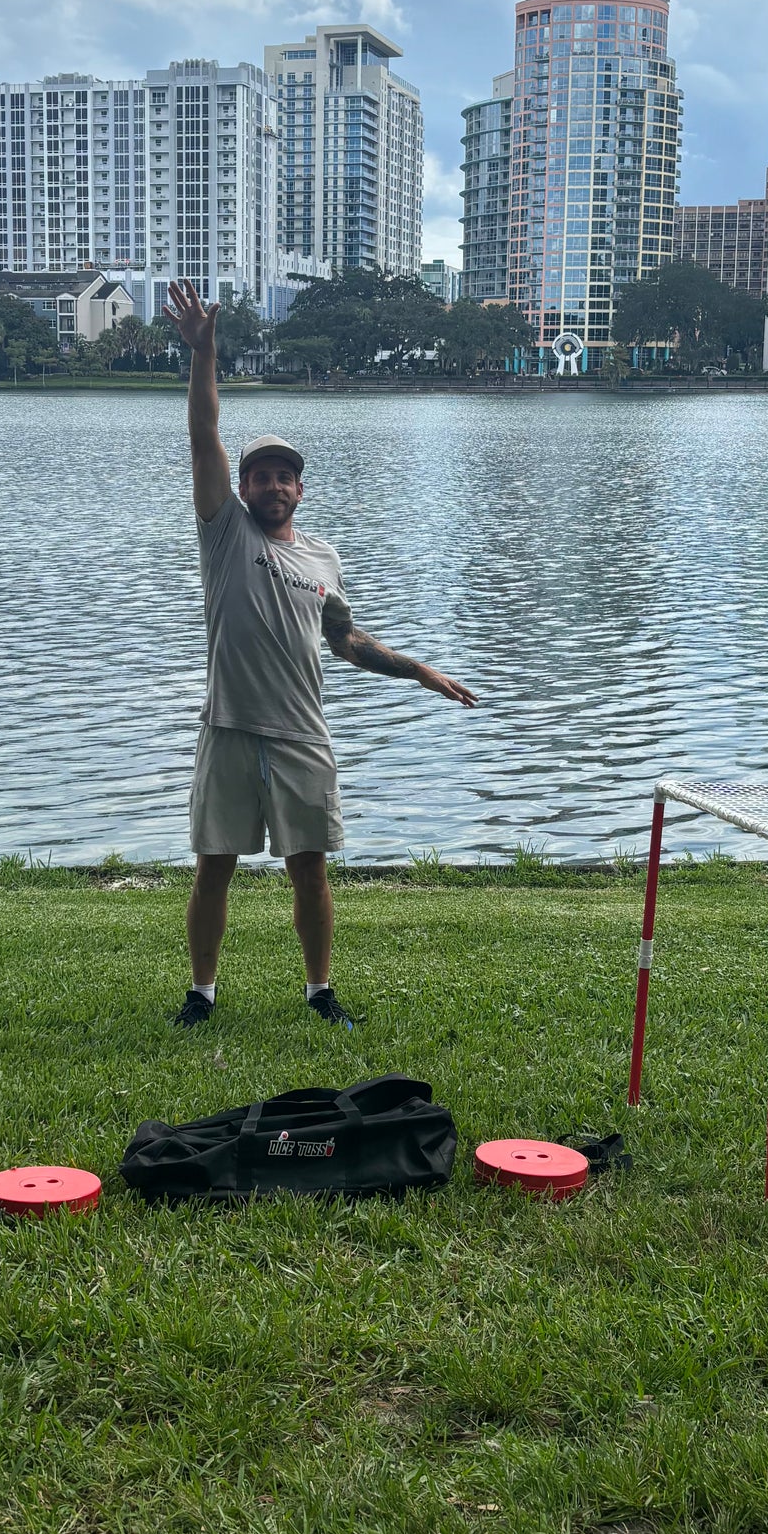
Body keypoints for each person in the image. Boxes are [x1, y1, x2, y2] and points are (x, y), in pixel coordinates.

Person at [166, 278, 477, 1027]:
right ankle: (201, 995)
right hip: (230, 726)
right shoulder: (224, 532)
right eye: (260, 476)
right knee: (214, 867)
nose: (272, 485)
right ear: (242, 487)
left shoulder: (323, 559)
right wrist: (204, 355)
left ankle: (319, 992)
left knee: (310, 870)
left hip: (303, 732)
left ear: (300, 490)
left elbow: (345, 640)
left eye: (285, 477)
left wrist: (418, 670)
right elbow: (204, 434)